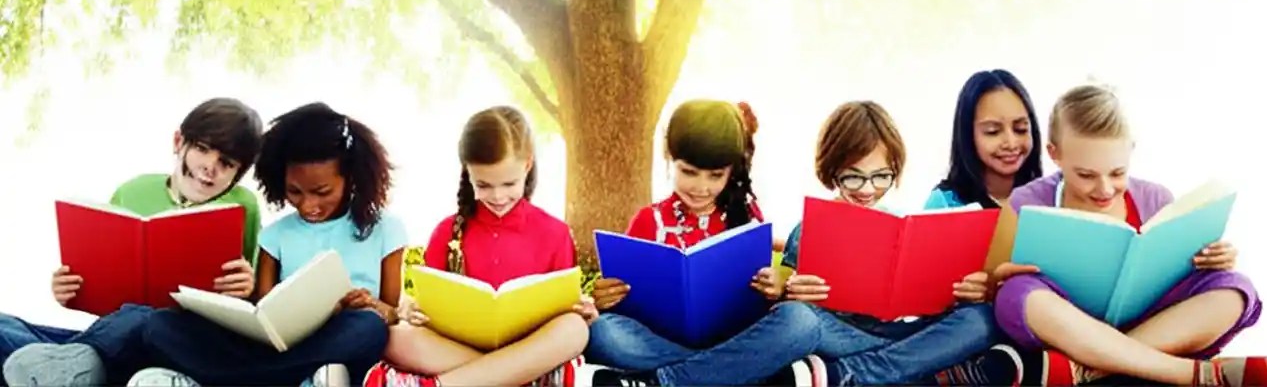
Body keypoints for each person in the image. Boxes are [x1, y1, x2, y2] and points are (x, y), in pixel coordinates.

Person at [979, 85, 1267, 386]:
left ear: (1130, 150)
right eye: (1086, 175)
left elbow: (1181, 274)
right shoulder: (1025, 202)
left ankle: (1086, 369)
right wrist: (1000, 278)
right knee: (1016, 294)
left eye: (1117, 173)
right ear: (1055, 154)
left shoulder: (1155, 198)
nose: (1104, 188)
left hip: (1148, 320)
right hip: (1064, 320)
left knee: (1235, 289)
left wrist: (1214, 259)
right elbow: (989, 284)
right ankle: (1187, 373)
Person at [131, 102, 404, 387]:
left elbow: (392, 312)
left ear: (351, 178)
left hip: (338, 340)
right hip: (279, 349)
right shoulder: (275, 236)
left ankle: (232, 379)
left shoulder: (386, 229)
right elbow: (261, 316)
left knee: (368, 328)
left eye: (322, 192)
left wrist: (373, 306)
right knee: (159, 325)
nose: (309, 205)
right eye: (294, 192)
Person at [2, 98, 264, 387]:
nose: (209, 168)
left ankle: (76, 366)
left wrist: (246, 289)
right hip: (117, 337)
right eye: (202, 149)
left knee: (150, 319)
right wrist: (69, 290)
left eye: (226, 163)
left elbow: (253, 310)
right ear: (178, 141)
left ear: (238, 175)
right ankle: (76, 363)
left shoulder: (242, 206)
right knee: (4, 329)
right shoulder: (132, 191)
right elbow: (103, 288)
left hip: (183, 341)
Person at [581, 100, 823, 386]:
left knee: (803, 322)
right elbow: (624, 301)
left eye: (716, 175)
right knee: (601, 334)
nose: (701, 187)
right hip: (664, 341)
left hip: (735, 336)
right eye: (689, 172)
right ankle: (730, 374)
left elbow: (767, 291)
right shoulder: (648, 221)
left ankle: (667, 381)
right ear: (669, 158)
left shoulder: (746, 217)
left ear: (732, 170)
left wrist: (774, 285)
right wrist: (606, 298)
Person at [366, 106, 595, 387]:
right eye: (484, 185)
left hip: (529, 346)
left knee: (574, 329)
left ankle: (450, 383)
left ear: (527, 166)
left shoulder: (555, 233)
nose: (498, 196)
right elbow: (427, 306)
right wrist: (412, 309)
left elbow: (564, 304)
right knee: (396, 338)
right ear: (468, 173)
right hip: (463, 347)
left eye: (509, 184)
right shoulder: (446, 232)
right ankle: (518, 379)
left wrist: (581, 308)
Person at [780, 101, 1001, 386]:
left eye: (882, 176)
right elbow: (788, 310)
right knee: (803, 323)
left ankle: (853, 375)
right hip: (845, 338)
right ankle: (916, 369)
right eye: (853, 177)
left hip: (904, 334)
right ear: (831, 170)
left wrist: (969, 291)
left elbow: (936, 303)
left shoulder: (905, 224)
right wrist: (792, 292)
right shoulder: (810, 228)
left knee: (982, 319)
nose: (868, 189)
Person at [925, 69, 1044, 209]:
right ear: (968, 135)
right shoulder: (944, 204)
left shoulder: (1049, 197)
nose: (1011, 143)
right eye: (992, 132)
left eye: (1020, 129)